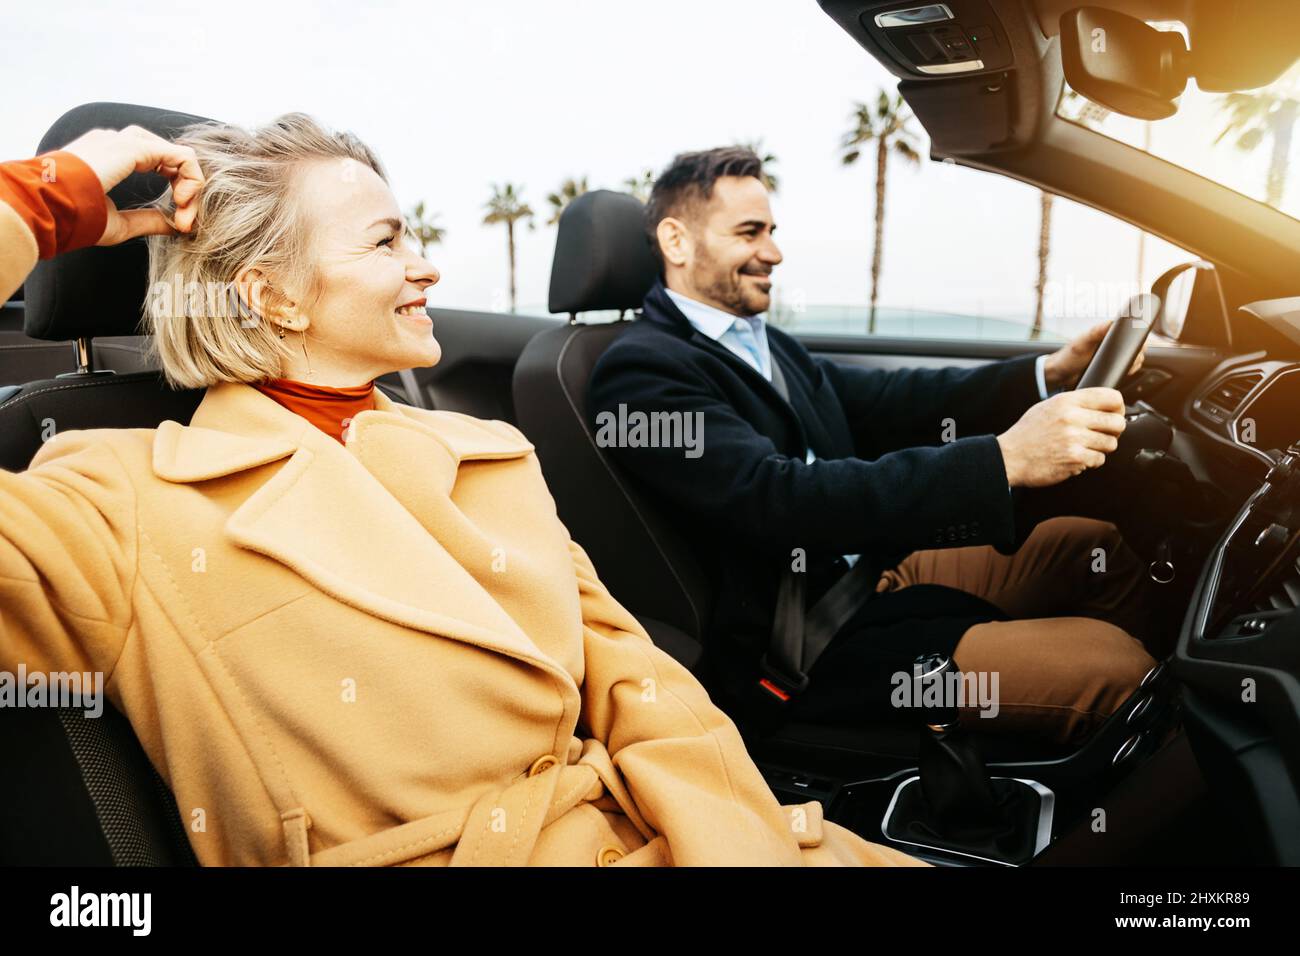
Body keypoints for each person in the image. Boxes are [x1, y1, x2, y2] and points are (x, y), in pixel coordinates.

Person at [0, 121, 924, 867]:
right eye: (387, 241)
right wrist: (49, 201)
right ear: (272, 297)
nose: (427, 265)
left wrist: (735, 836)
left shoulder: (486, 450)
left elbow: (639, 683)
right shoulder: (119, 496)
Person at [587, 146, 1161, 748]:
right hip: (804, 639)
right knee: (1118, 672)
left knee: (1095, 548)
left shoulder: (761, 341)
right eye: (749, 233)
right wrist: (1005, 458)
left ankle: (1066, 754)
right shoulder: (640, 374)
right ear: (676, 242)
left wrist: (1049, 373)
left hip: (868, 570)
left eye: (772, 232)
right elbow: (779, 500)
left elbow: (889, 401)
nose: (774, 253)